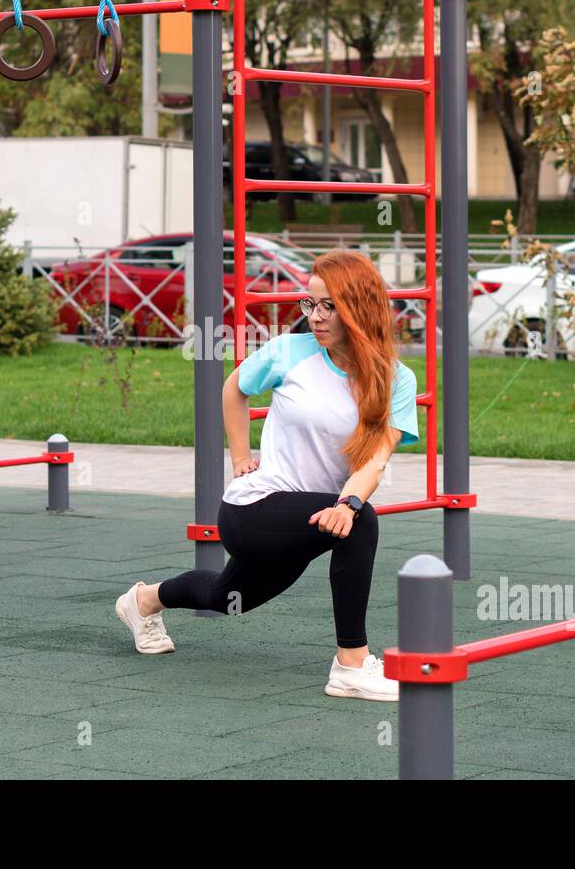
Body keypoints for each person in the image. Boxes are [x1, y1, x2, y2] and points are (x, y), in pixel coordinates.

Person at [115, 249, 419, 701]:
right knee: (363, 522)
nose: (314, 317)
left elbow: (374, 459)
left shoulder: (396, 379)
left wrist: (346, 502)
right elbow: (233, 389)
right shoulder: (288, 352)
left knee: (226, 597)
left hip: (311, 518)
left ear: (361, 307)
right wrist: (240, 456)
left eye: (328, 306)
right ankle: (351, 665)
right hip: (253, 508)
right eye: (309, 304)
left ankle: (143, 600)